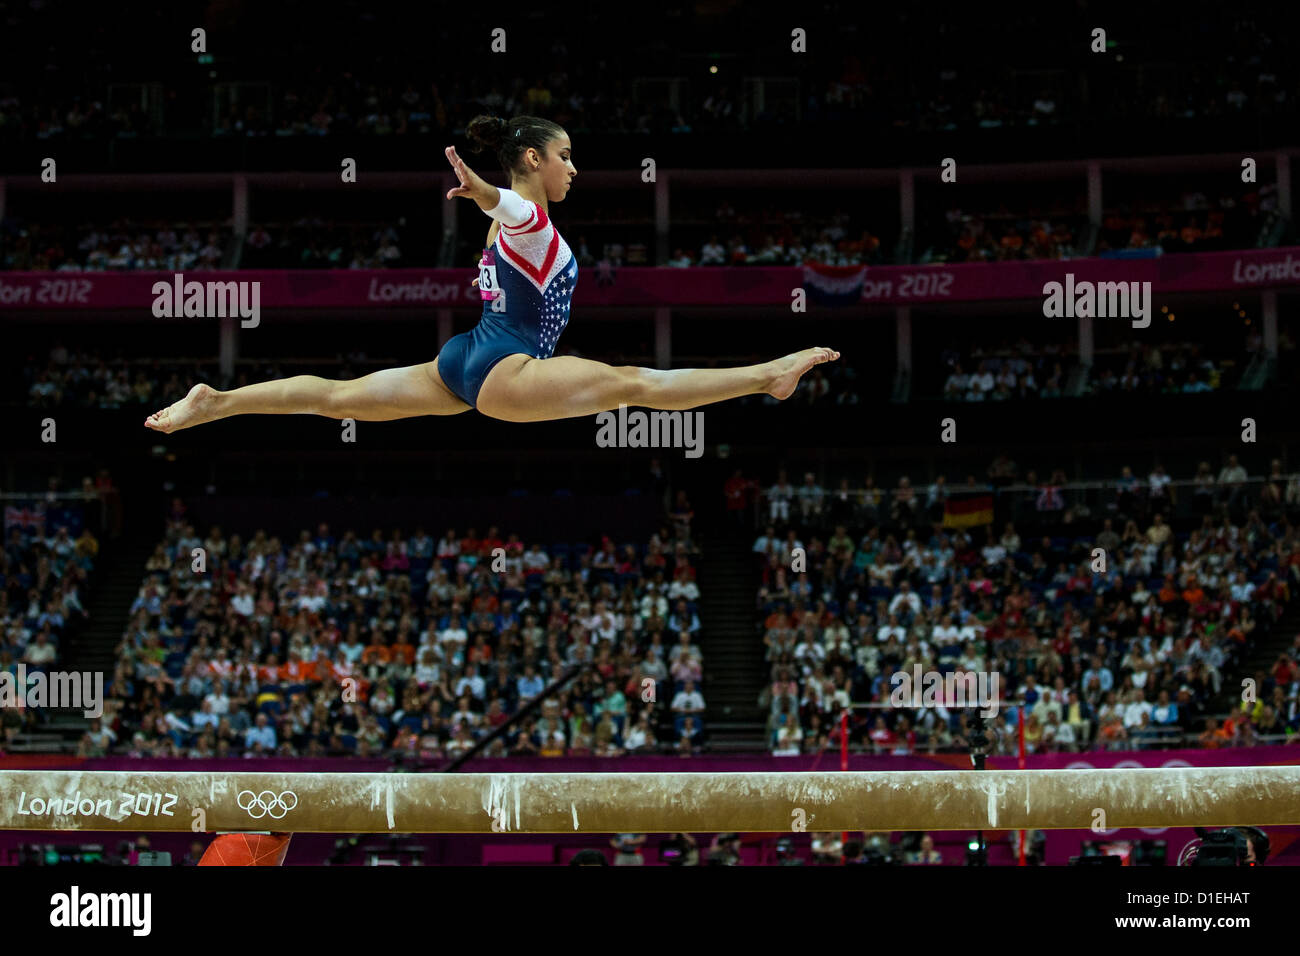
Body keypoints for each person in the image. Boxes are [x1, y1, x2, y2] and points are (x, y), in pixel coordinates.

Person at [144, 115, 838, 434]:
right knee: (635, 385)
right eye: (565, 155)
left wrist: (491, 201)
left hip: (463, 359)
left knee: (337, 398)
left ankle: (220, 402)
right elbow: (512, 210)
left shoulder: (508, 228)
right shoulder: (526, 221)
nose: (574, 167)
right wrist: (487, 191)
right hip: (507, 366)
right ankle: (768, 373)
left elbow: (505, 216)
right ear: (532, 159)